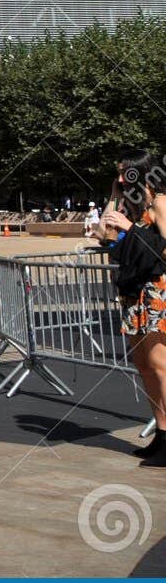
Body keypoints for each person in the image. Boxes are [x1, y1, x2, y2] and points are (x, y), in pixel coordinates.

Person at [103, 152, 166, 465]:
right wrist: (115, 197)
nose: (119, 177)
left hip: (156, 291)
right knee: (143, 364)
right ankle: (162, 433)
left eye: (124, 173)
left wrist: (130, 226)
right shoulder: (132, 204)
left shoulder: (161, 202)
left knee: (159, 365)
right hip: (133, 291)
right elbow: (104, 234)